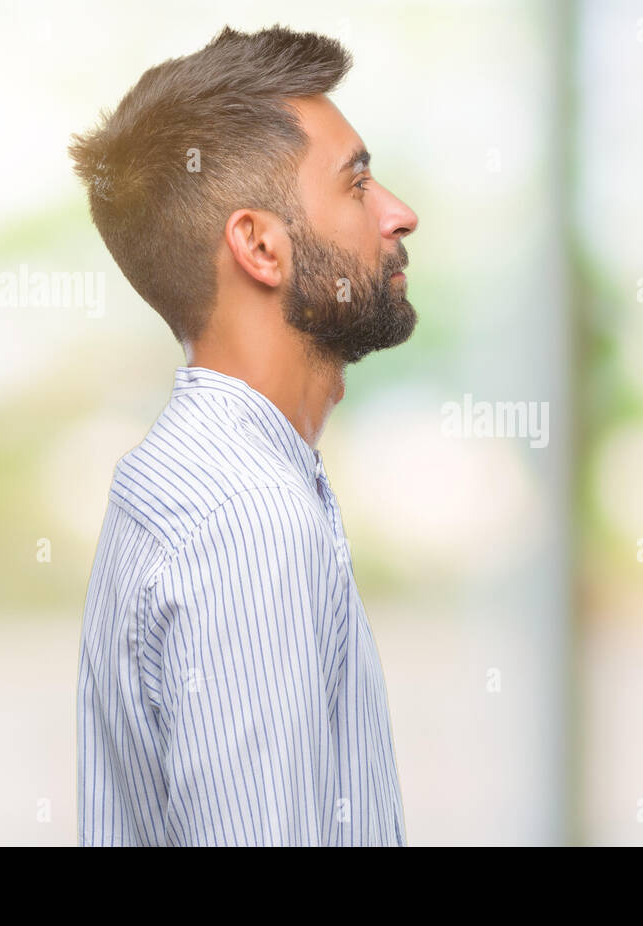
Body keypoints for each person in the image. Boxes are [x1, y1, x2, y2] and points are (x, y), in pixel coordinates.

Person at [69, 23, 419, 845]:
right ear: (261, 245)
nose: (400, 214)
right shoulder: (250, 519)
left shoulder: (179, 481)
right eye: (358, 184)